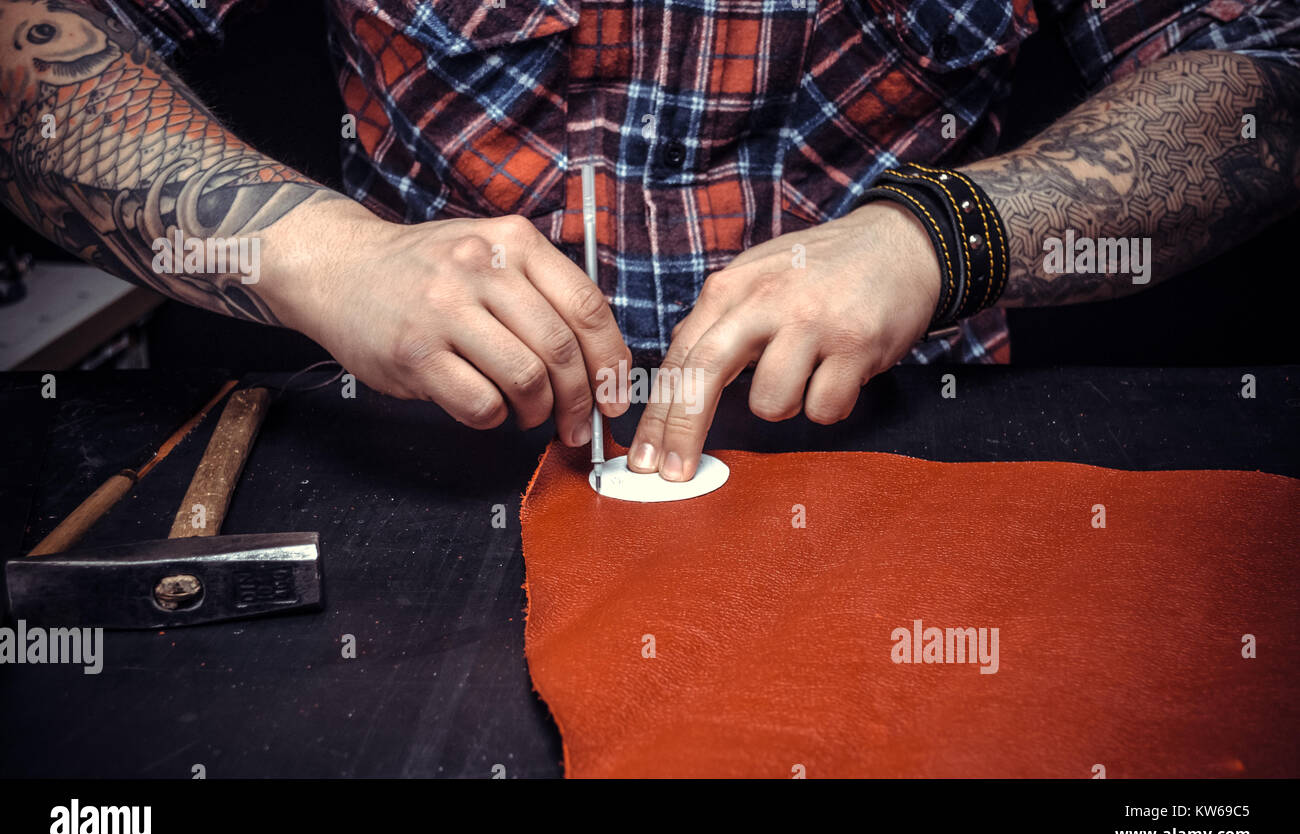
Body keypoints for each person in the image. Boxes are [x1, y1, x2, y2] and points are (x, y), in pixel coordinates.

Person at [3, 0, 1297, 482]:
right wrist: (321, 250)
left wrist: (948, 232)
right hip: (417, 463)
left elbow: (1268, 69)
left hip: (909, 447)